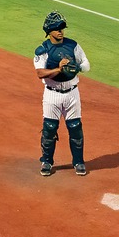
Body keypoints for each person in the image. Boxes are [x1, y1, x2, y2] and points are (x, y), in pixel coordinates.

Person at [34, 11, 91, 177]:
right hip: (52, 94)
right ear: (49, 31)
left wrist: (76, 66)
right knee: (49, 128)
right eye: (57, 28)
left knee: (75, 128)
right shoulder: (43, 50)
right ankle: (46, 161)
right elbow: (40, 73)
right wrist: (59, 69)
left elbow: (86, 64)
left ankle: (79, 162)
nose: (60, 31)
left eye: (62, 28)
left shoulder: (73, 45)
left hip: (72, 93)